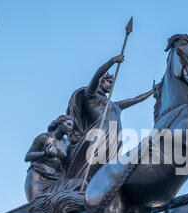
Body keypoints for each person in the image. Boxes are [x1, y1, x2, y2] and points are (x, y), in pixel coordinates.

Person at [66, 54, 158, 183]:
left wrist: (152, 91)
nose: (111, 85)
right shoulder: (91, 96)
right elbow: (96, 76)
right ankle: (81, 183)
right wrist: (112, 61)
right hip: (102, 132)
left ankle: (97, 185)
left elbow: (136, 99)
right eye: (109, 82)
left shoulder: (115, 105)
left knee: (107, 165)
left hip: (116, 136)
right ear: (101, 81)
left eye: (112, 83)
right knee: (93, 162)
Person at [24, 114, 82, 201]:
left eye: (72, 126)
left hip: (56, 179)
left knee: (81, 183)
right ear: (59, 124)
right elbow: (27, 157)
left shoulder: (67, 144)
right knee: (36, 206)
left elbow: (68, 164)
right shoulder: (43, 137)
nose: (71, 128)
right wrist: (44, 153)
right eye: (68, 124)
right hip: (38, 177)